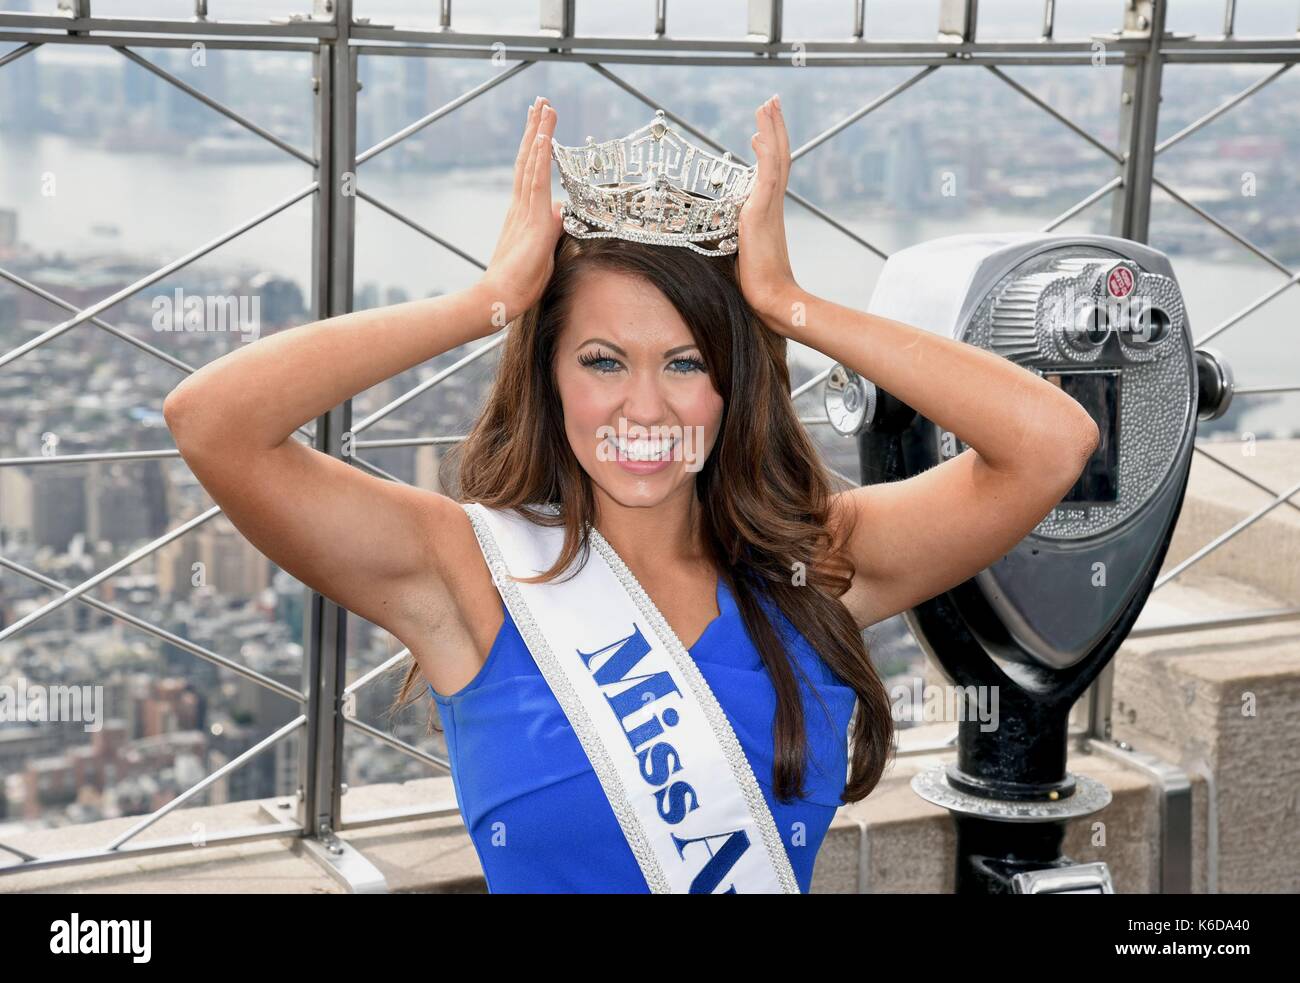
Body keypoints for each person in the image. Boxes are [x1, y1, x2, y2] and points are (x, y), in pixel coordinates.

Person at [163, 94, 1099, 893]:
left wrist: (786, 304)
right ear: (550, 373)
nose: (643, 406)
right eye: (602, 360)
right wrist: (488, 300)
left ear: (733, 384)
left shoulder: (814, 564)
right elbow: (213, 421)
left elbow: (1051, 443)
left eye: (687, 362)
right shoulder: (463, 569)